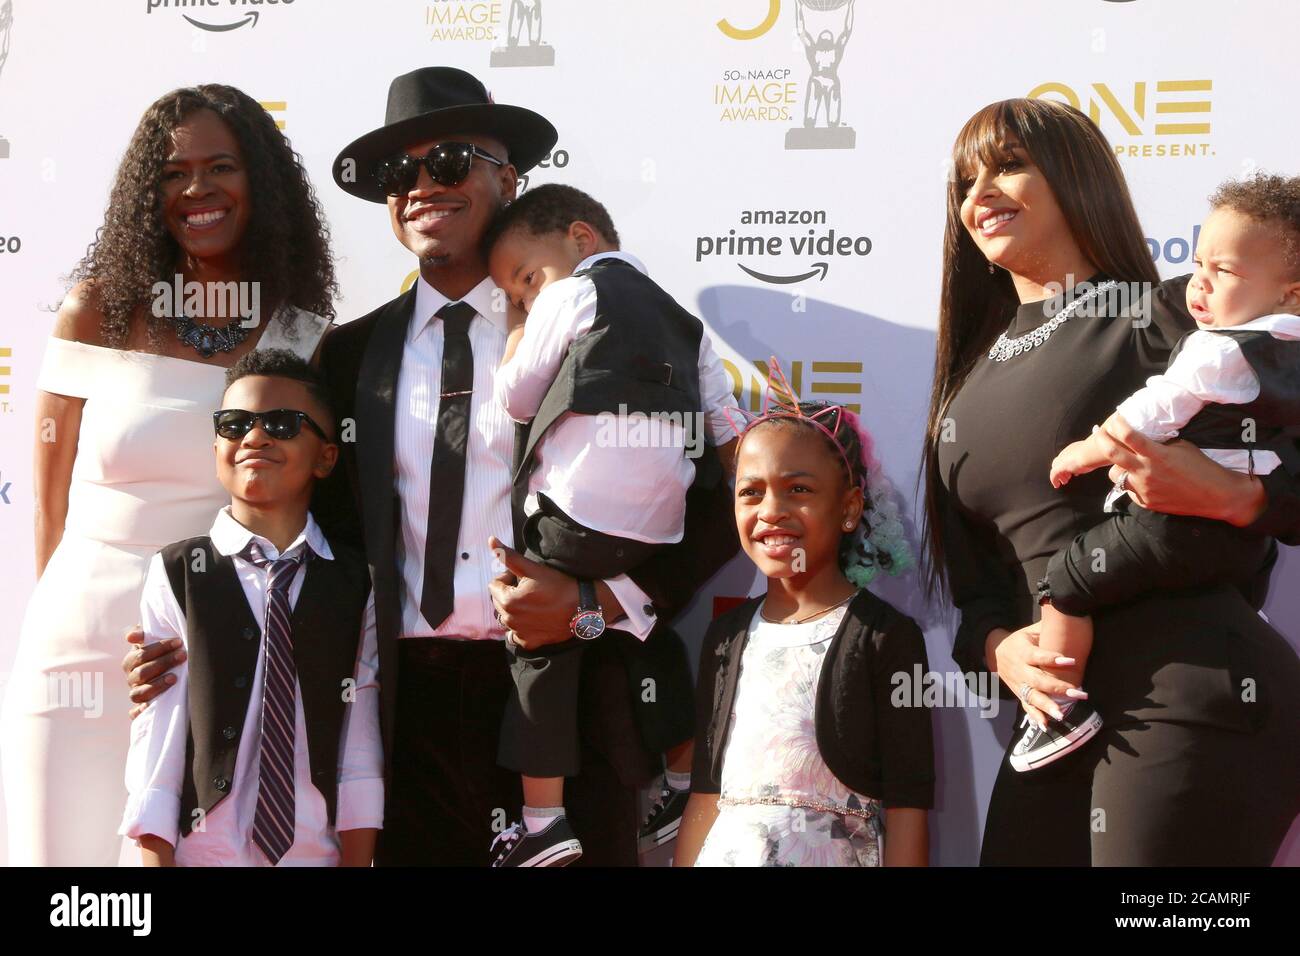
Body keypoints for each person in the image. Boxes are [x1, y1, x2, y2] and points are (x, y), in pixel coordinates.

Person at [127, 67, 741, 866]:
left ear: (508, 177)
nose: (422, 185)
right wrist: (192, 645)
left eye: (450, 161)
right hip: (398, 723)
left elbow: (728, 493)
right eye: (398, 173)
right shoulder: (345, 357)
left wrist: (597, 600)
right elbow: (311, 544)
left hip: (570, 709)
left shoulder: (605, 317)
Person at [923, 97, 1300, 864]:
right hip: (1054, 727)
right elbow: (977, 593)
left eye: (1009, 166)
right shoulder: (960, 386)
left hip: (1191, 687)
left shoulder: (1171, 316)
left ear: (1075, 179)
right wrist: (1000, 650)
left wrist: (1243, 496)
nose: (981, 193)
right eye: (967, 180)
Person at [1, 84, 336, 866]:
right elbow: (48, 500)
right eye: (173, 173)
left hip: (209, 660)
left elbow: (287, 515)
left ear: (262, 180)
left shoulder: (295, 331)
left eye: (221, 166)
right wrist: (61, 630)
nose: (196, 190)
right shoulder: (97, 311)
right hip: (77, 655)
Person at [480, 183, 739, 865]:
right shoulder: (687, 323)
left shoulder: (569, 297)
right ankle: (681, 778)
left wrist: (515, 339)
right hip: (659, 531)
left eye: (526, 281)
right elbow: (730, 436)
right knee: (636, 627)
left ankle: (542, 822)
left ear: (581, 240)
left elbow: (515, 399)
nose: (527, 299)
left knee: (539, 644)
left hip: (573, 521)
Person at [1014, 173, 1300, 772]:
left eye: (1224, 271)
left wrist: (1087, 449)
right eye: (1198, 263)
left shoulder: (1216, 343)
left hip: (1171, 547)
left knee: (1067, 578)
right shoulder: (1273, 343)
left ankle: (1059, 710)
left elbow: (1150, 412)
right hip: (1228, 566)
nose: (1200, 282)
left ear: (1290, 294)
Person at [119, 350, 381, 866]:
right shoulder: (179, 571)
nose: (255, 438)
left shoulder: (358, 582)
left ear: (327, 456)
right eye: (235, 424)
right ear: (217, 445)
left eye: (281, 424)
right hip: (202, 855)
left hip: (314, 854)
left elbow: (360, 735)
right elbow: (161, 733)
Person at [675, 369, 932, 867]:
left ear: (850, 507)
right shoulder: (726, 638)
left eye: (798, 490)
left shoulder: (886, 638)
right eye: (751, 492)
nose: (771, 510)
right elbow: (706, 797)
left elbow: (907, 808)